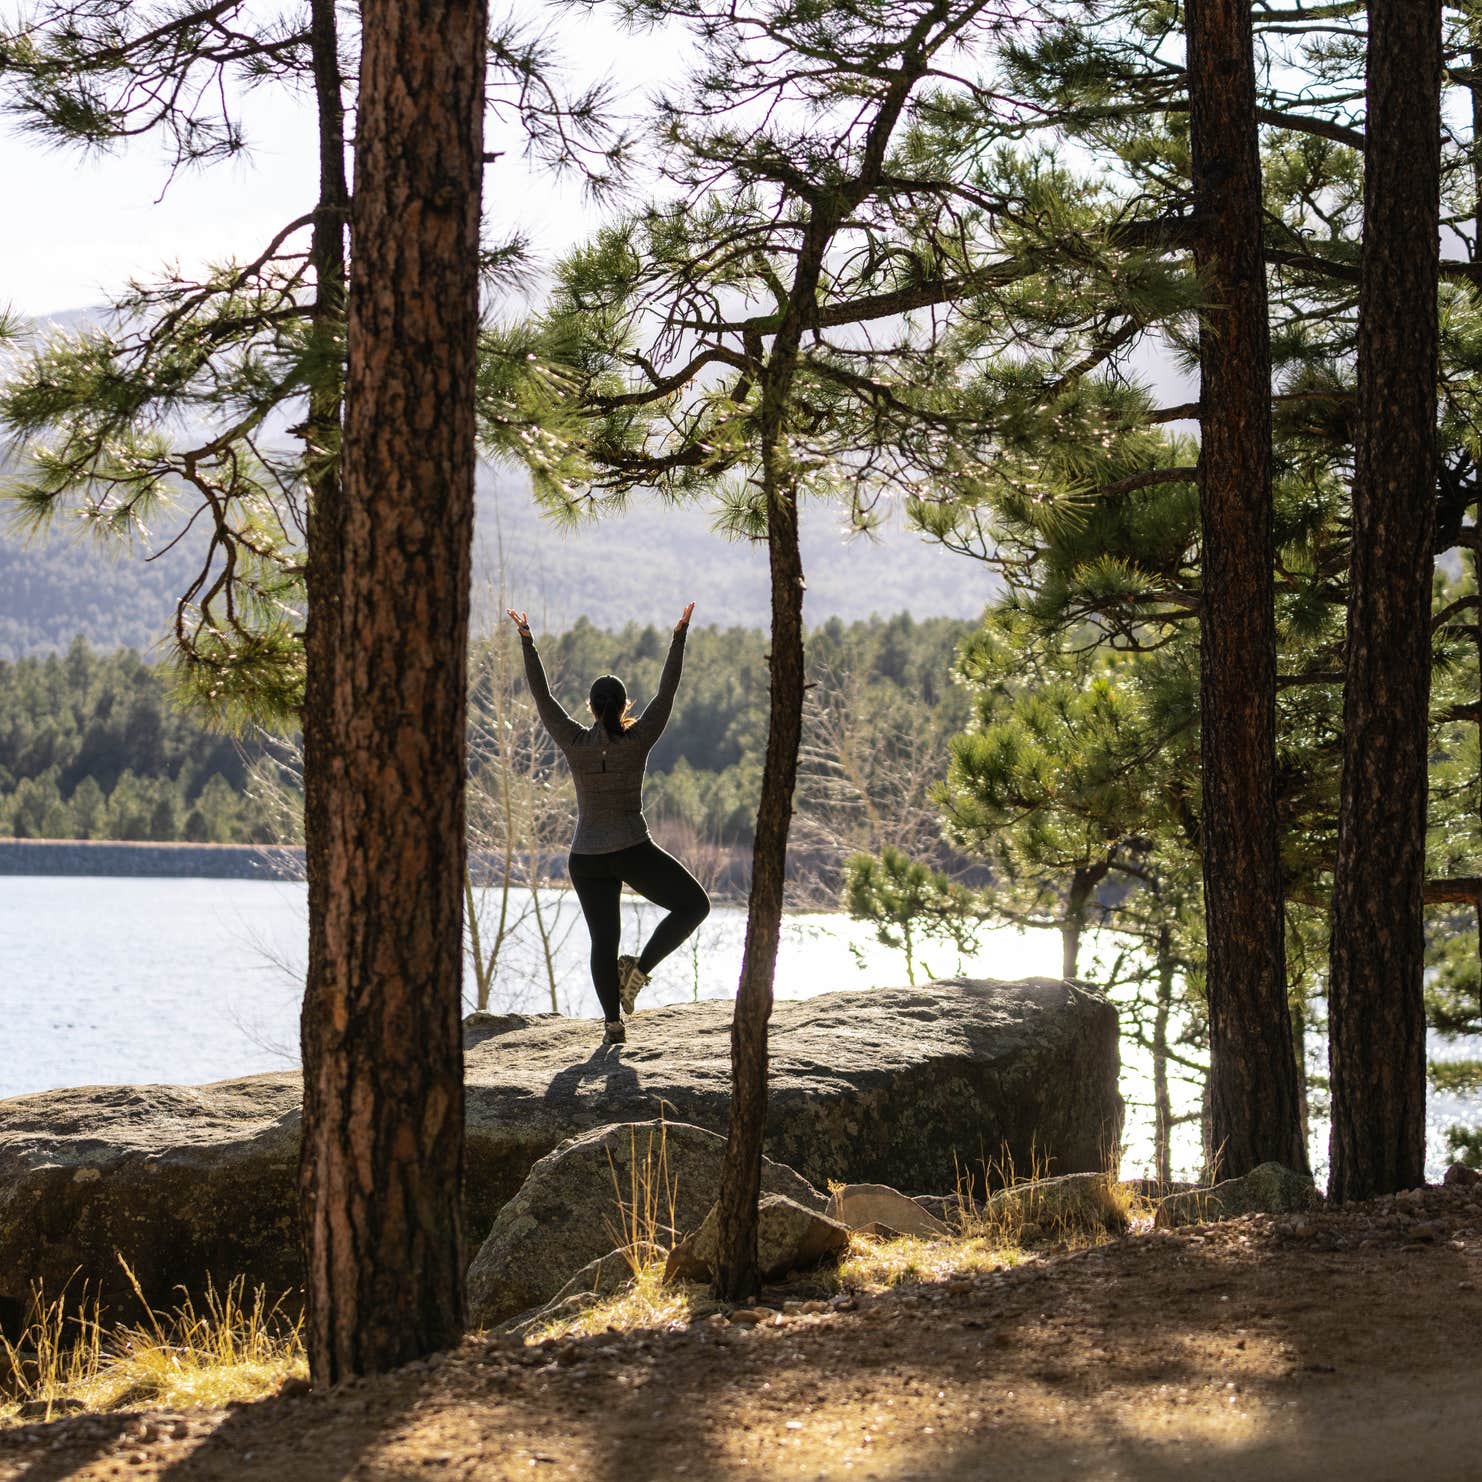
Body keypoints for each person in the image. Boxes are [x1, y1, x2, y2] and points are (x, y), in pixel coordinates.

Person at [508, 602, 711, 1045]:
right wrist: (678, 637)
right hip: (631, 850)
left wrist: (528, 642)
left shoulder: (575, 742)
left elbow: (542, 698)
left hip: (585, 858)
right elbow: (666, 693)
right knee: (695, 906)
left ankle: (612, 1026)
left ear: (591, 707)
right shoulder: (637, 740)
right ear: (623, 705)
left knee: (603, 939)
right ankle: (638, 971)